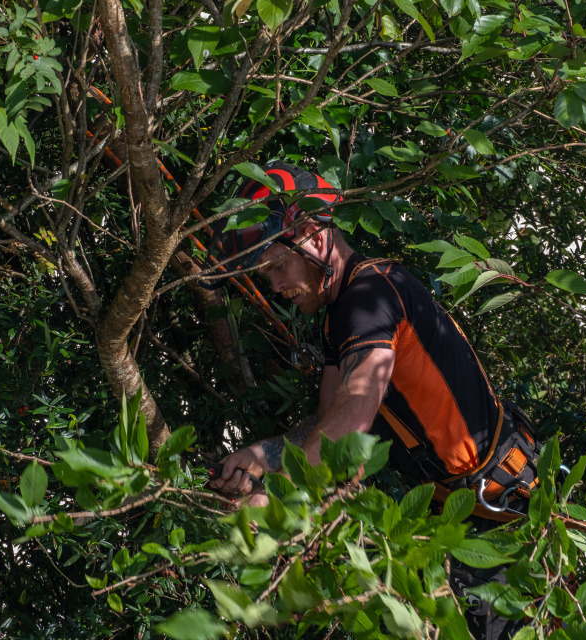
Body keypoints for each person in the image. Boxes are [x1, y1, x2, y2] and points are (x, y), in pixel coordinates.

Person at [210, 161, 542, 639]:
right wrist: (265, 455)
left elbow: (354, 418)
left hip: (500, 513)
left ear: (314, 236)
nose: (276, 288)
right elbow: (331, 427)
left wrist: (279, 500)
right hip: (461, 513)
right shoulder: (338, 317)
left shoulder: (369, 297)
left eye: (277, 267)